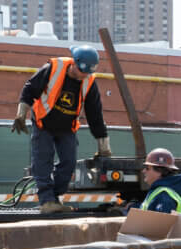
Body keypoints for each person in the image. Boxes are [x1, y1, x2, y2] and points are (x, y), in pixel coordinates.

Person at [12, 46, 111, 213]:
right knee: (43, 159)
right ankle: (46, 201)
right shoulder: (53, 68)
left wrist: (104, 147)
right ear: (74, 63)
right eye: (82, 71)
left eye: (87, 73)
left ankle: (54, 198)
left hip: (66, 128)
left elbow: (95, 116)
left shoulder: (89, 82)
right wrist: (21, 114)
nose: (84, 75)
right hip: (44, 123)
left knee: (69, 162)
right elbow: (30, 88)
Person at [132, 148, 181, 214]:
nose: (143, 171)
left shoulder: (164, 195)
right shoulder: (164, 191)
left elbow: (162, 222)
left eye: (147, 168)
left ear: (160, 171)